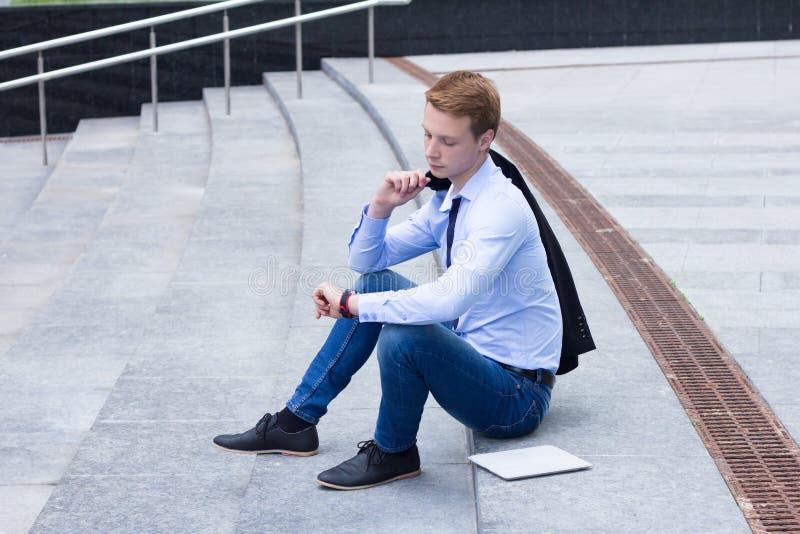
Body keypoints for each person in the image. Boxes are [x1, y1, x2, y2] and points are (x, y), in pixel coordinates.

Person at [212, 70, 563, 491]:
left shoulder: (498, 209)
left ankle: (394, 451)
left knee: (404, 336)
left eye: (448, 141)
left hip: (515, 396)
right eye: (428, 135)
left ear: (485, 140)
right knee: (377, 283)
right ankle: (296, 421)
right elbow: (368, 260)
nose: (432, 152)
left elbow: (448, 301)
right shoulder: (450, 197)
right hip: (474, 354)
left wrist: (351, 305)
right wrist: (380, 207)